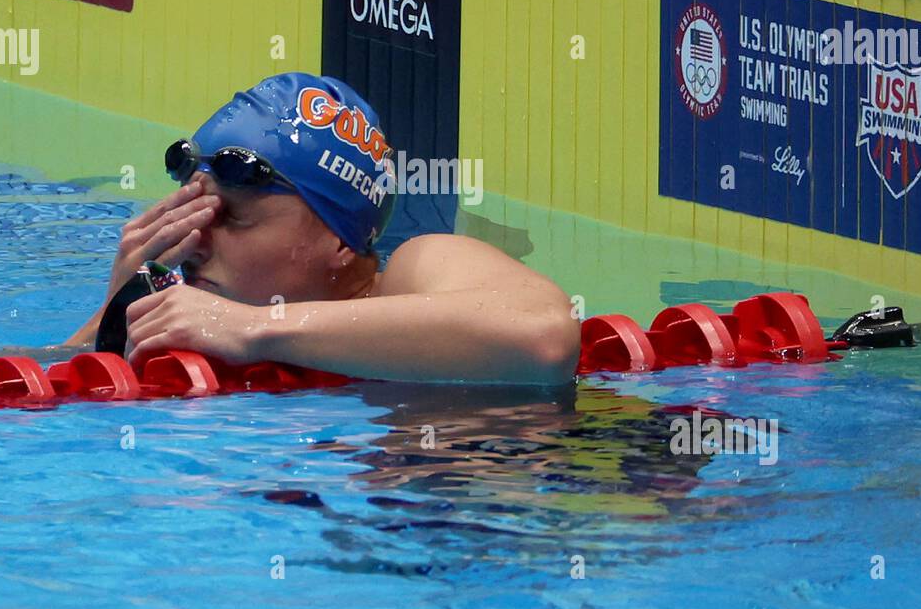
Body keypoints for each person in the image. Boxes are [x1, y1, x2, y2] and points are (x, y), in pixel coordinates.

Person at [62, 73, 581, 384]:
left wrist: (249, 328)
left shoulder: (416, 268)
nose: (191, 245)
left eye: (232, 217)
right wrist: (107, 323)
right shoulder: (208, 334)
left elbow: (545, 335)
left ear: (338, 239)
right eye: (188, 216)